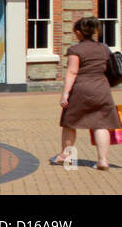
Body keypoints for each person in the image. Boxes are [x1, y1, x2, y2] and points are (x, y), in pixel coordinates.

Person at [49, 17, 119, 171]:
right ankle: (103, 161)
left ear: (79, 33)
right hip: (102, 88)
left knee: (69, 123)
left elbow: (72, 72)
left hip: (81, 89)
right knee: (102, 124)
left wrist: (65, 94)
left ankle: (64, 156)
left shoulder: (76, 50)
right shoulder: (104, 48)